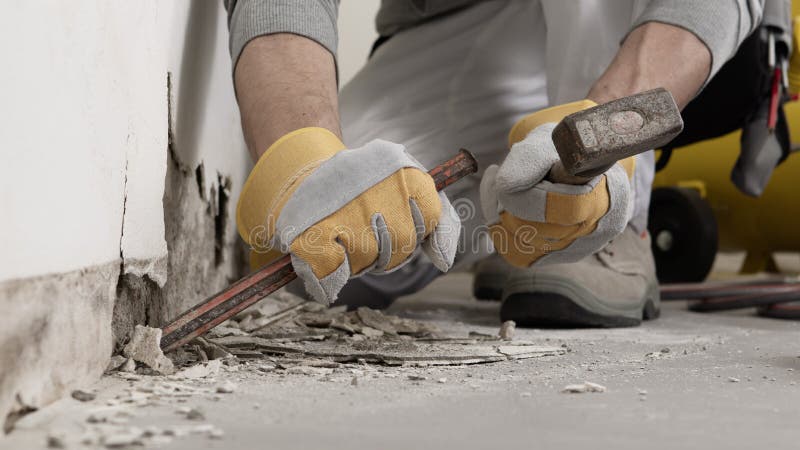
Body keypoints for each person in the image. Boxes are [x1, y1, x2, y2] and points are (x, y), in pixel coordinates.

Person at [226, 0, 764, 327]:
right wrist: (301, 152)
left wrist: (603, 134)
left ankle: (616, 220)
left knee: (583, 190)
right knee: (327, 257)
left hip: (648, 34)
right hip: (465, 26)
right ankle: (524, 223)